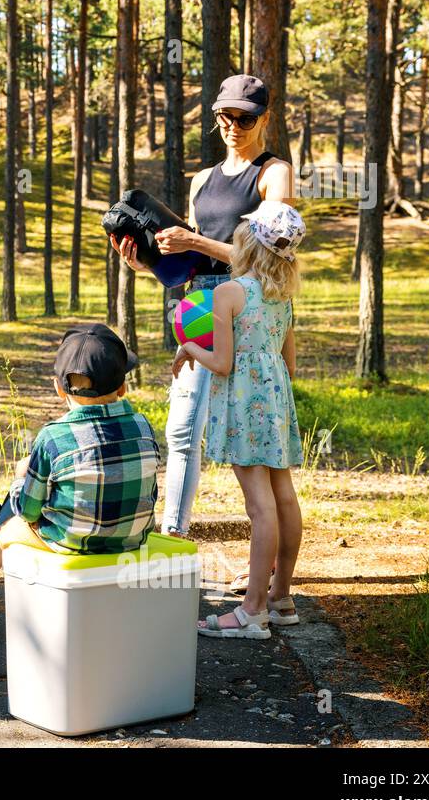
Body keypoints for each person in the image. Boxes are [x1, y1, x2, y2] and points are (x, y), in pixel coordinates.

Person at [111, 74, 294, 555]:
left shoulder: (273, 173)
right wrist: (147, 262)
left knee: (256, 448)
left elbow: (272, 256)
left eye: (245, 119)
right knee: (183, 429)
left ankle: (269, 574)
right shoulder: (201, 181)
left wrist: (193, 239)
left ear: (264, 119)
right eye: (225, 116)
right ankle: (174, 534)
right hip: (198, 302)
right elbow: (191, 264)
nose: (233, 126)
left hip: (248, 302)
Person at [0, 324, 159, 633]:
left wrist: (19, 479)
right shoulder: (143, 425)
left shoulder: (53, 437)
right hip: (132, 539)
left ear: (59, 389)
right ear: (122, 389)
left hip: (72, 544)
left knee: (1, 536)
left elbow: (28, 511)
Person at [172, 201, 305, 639]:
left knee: (259, 507)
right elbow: (289, 363)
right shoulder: (281, 295)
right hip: (276, 402)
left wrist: (190, 348)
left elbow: (223, 364)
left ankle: (252, 611)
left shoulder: (230, 292)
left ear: (248, 242)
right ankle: (280, 599)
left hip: (244, 407)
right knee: (283, 497)